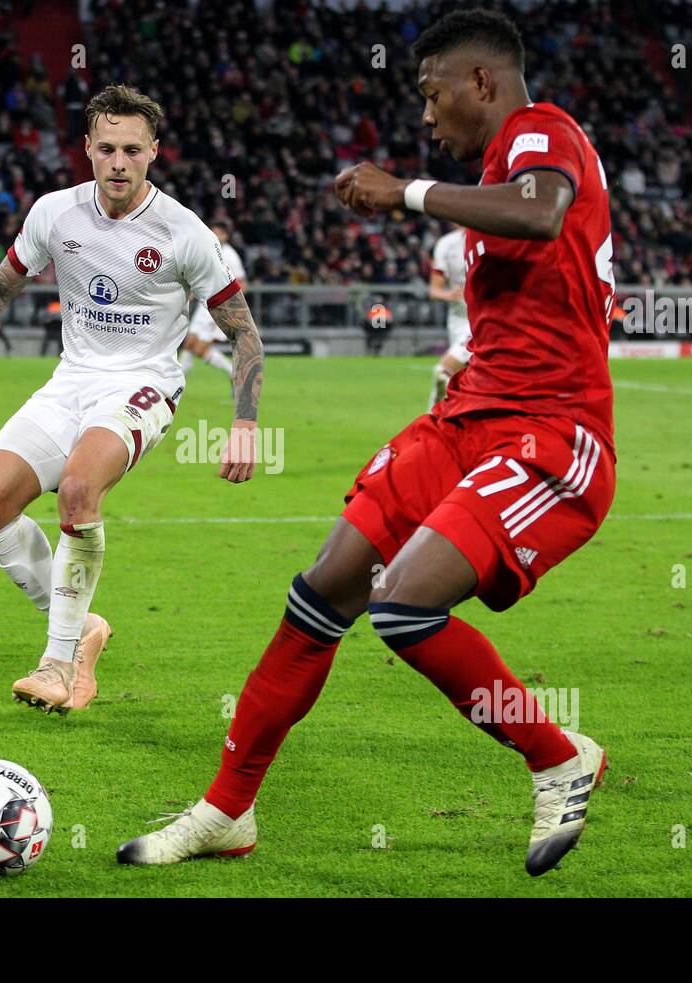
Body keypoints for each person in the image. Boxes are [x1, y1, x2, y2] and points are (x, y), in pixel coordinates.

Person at [118, 9, 615, 877]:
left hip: (553, 434)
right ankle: (226, 810)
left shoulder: (542, 134)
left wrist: (407, 190)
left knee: (404, 603)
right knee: (322, 592)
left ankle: (554, 754)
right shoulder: (502, 163)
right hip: (466, 419)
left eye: (431, 96)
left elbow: (541, 214)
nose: (426, 117)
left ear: (482, 84)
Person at [0, 85, 264, 714]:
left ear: (154, 151)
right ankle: (84, 627)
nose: (119, 162)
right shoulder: (55, 213)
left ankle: (58, 662)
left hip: (144, 385)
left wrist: (244, 422)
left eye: (132, 148)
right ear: (87, 150)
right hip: (70, 380)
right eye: (107, 148)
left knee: (78, 490)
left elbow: (243, 333)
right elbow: (1, 287)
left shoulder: (185, 233)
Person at [179, 222, 244, 384]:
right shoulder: (209, 250)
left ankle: (234, 374)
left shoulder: (230, 255)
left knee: (200, 349)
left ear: (226, 235)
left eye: (219, 233)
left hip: (220, 306)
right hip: (204, 306)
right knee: (189, 344)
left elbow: (242, 282)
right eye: (213, 232)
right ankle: (176, 383)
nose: (215, 235)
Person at [427, 223, 472, 408]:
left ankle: (431, 418)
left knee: (445, 370)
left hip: (482, 320)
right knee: (466, 378)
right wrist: (449, 294)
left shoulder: (496, 239)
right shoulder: (446, 244)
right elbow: (434, 290)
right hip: (457, 320)